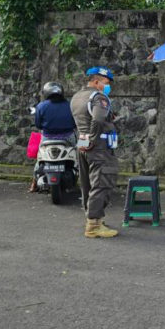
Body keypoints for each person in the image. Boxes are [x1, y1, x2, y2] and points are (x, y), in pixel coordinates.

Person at [71, 67, 119, 239]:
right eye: (106, 83)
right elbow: (98, 120)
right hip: (98, 145)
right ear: (96, 82)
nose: (108, 86)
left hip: (82, 142)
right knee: (101, 183)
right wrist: (93, 138)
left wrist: (87, 138)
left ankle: (93, 219)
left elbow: (82, 120)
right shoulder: (99, 97)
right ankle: (93, 226)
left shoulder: (77, 97)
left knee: (87, 183)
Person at [29, 81, 77, 193]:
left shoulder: (41, 106)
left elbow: (38, 125)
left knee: (40, 158)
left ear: (46, 93)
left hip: (47, 138)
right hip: (68, 137)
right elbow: (75, 123)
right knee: (77, 153)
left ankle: (33, 184)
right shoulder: (70, 105)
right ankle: (80, 175)